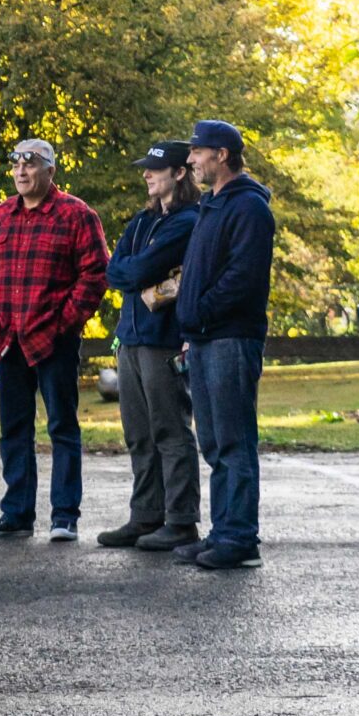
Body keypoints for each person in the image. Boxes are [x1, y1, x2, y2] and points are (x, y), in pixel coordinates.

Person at [0, 138, 109, 542]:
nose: (21, 172)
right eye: (15, 164)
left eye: (30, 164)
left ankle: (64, 517)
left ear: (50, 170)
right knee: (14, 430)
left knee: (62, 427)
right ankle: (16, 515)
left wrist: (64, 322)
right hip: (6, 342)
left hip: (53, 341)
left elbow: (96, 275)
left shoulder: (77, 215)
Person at [172, 118, 275, 571]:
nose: (190, 159)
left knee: (234, 442)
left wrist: (202, 311)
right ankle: (223, 531)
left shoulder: (249, 208)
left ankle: (239, 539)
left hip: (231, 338)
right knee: (213, 443)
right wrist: (191, 330)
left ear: (223, 156)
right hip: (205, 339)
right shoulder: (213, 205)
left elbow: (242, 278)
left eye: (198, 152)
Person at [96, 140, 201, 552]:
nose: (146, 174)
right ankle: (145, 516)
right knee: (138, 433)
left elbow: (136, 268)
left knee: (170, 429)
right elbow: (115, 270)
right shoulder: (142, 222)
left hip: (165, 342)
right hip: (131, 339)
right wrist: (134, 273)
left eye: (154, 169)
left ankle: (181, 520)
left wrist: (135, 272)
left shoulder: (188, 220)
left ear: (178, 173)